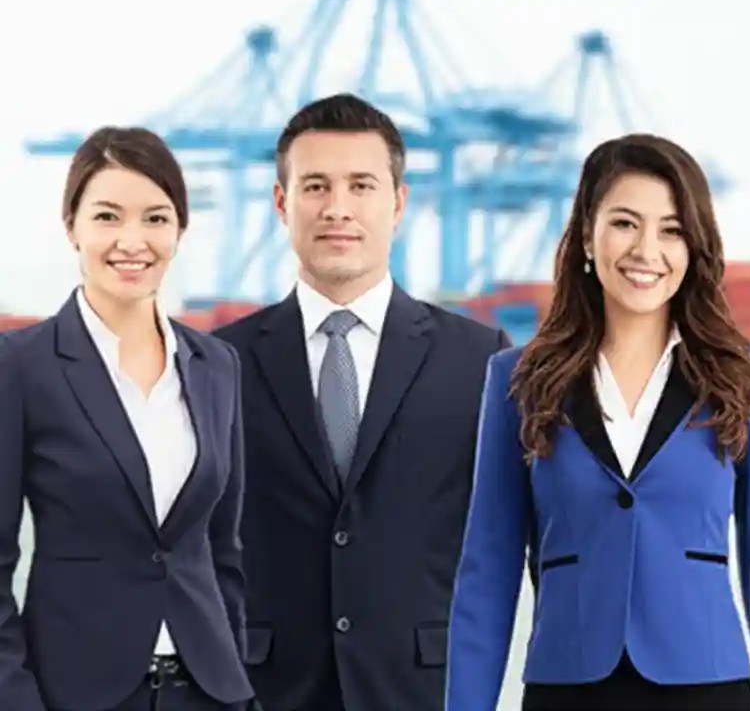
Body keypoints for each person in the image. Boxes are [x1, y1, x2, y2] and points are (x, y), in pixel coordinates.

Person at [446, 133, 750, 710]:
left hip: (706, 687)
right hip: (567, 688)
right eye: (625, 223)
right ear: (587, 236)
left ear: (694, 247)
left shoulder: (746, 374)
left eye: (671, 230)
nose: (647, 249)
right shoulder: (517, 380)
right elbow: (485, 578)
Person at [213, 93, 510, 710]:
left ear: (398, 202)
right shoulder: (219, 362)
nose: (337, 208)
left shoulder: (481, 359)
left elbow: (516, 538)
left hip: (426, 688)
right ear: (281, 202)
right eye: (316, 185)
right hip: (261, 690)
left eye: (361, 185)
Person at [0, 127, 254, 710]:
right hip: (74, 694)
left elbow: (224, 553)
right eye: (108, 217)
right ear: (72, 227)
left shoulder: (217, 365)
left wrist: (239, 677)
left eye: (156, 219)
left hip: (208, 692)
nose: (132, 241)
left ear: (180, 230)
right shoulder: (21, 366)